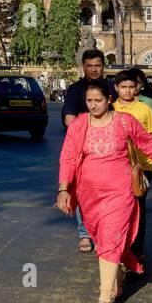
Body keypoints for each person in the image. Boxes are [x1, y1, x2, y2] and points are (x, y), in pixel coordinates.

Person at [56, 78, 152, 303]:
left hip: (120, 193)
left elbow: (149, 144)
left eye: (98, 101)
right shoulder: (79, 125)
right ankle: (118, 273)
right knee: (103, 239)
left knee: (111, 240)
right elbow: (68, 158)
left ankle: (104, 300)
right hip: (89, 196)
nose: (93, 105)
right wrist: (64, 189)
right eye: (89, 101)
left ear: (109, 100)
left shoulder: (124, 122)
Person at [111, 69, 152, 268]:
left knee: (138, 207)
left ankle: (137, 248)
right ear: (116, 88)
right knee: (118, 209)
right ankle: (119, 246)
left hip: (142, 167)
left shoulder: (145, 109)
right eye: (123, 87)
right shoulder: (110, 108)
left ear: (137, 88)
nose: (127, 91)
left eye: (131, 87)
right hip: (116, 166)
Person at [62, 48, 108, 253]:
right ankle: (85, 233)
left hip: (108, 147)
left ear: (103, 66)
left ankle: (103, 232)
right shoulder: (74, 90)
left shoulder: (110, 88)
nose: (94, 70)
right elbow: (69, 118)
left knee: (106, 192)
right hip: (83, 147)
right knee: (83, 193)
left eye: (98, 65)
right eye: (90, 66)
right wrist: (81, 139)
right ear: (83, 67)